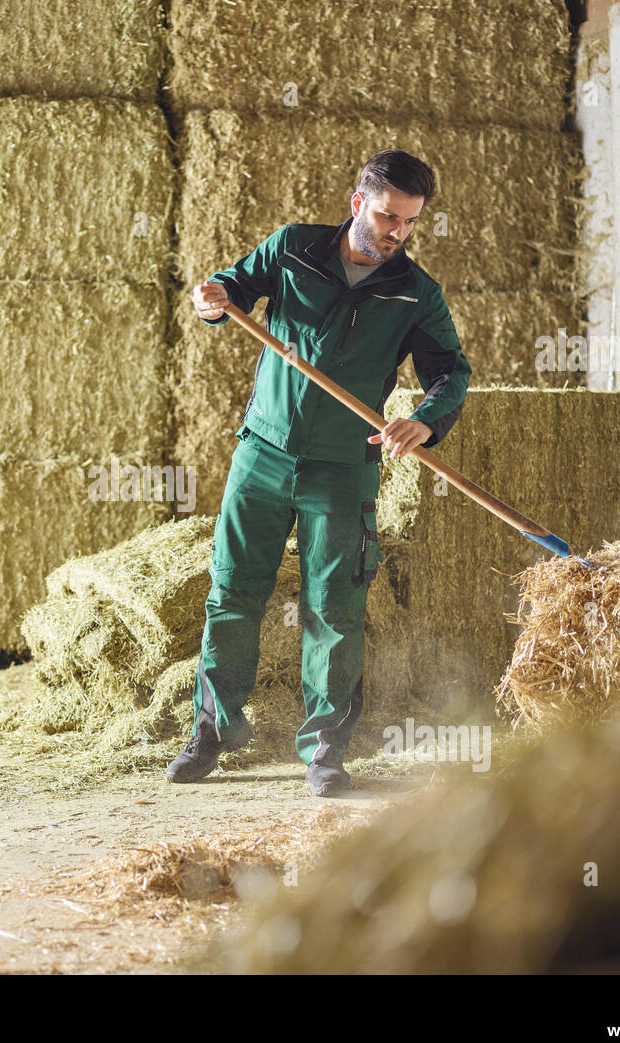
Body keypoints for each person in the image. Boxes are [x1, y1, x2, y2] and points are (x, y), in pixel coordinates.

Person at [165, 149, 472, 796]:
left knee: (334, 607)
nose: (398, 233)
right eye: (389, 216)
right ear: (358, 202)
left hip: (343, 468)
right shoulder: (293, 249)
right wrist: (212, 299)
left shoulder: (414, 292)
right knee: (232, 592)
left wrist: (425, 419)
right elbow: (231, 289)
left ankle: (325, 750)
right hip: (263, 453)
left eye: (411, 223)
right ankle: (213, 732)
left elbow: (450, 373)